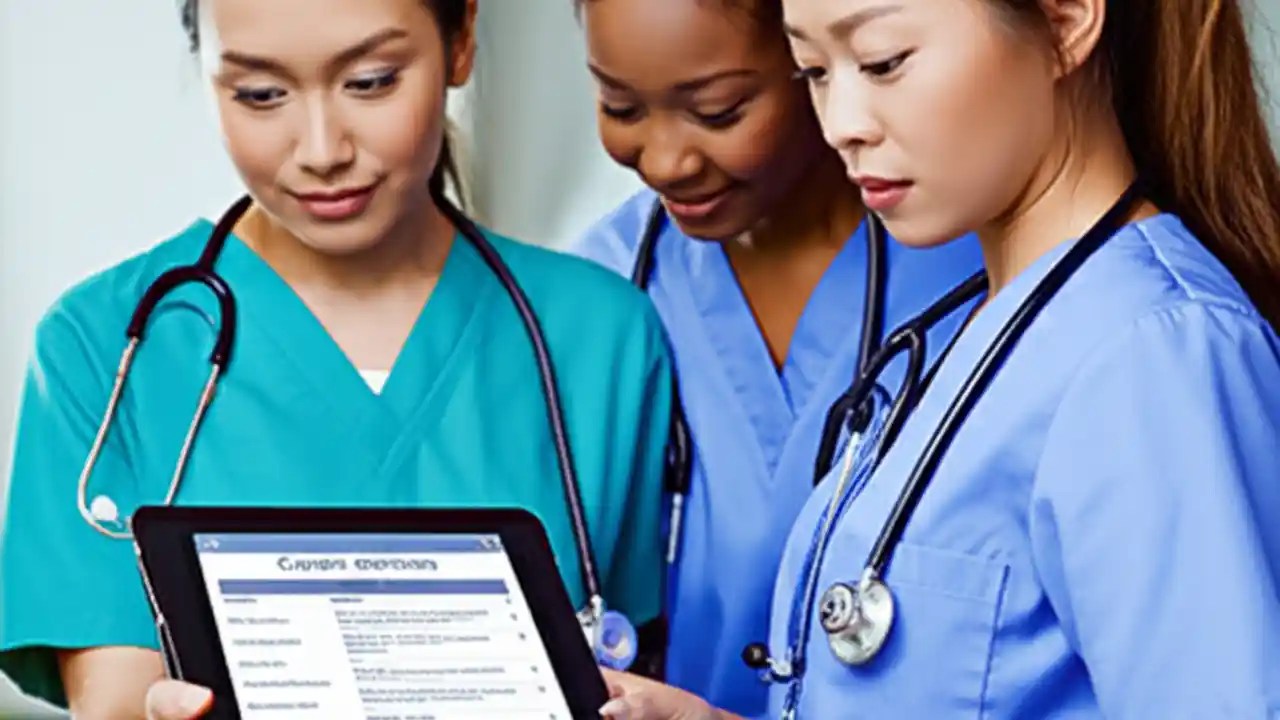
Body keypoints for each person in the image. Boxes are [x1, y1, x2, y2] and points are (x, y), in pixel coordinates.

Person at [597, 0, 1280, 717]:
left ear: (1070, 19)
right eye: (815, 72)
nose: (840, 125)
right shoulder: (978, 330)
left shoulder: (1154, 357)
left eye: (884, 62)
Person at [0, 0, 674, 717]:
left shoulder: (599, 335)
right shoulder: (102, 343)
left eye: (372, 81)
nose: (322, 150)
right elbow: (116, 697)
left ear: (462, 40)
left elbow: (629, 663)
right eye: (260, 95)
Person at [569, 0, 983, 714]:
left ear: (817, 63)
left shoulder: (978, 281)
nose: (665, 160)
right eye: (620, 106)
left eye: (721, 111)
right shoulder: (602, 292)